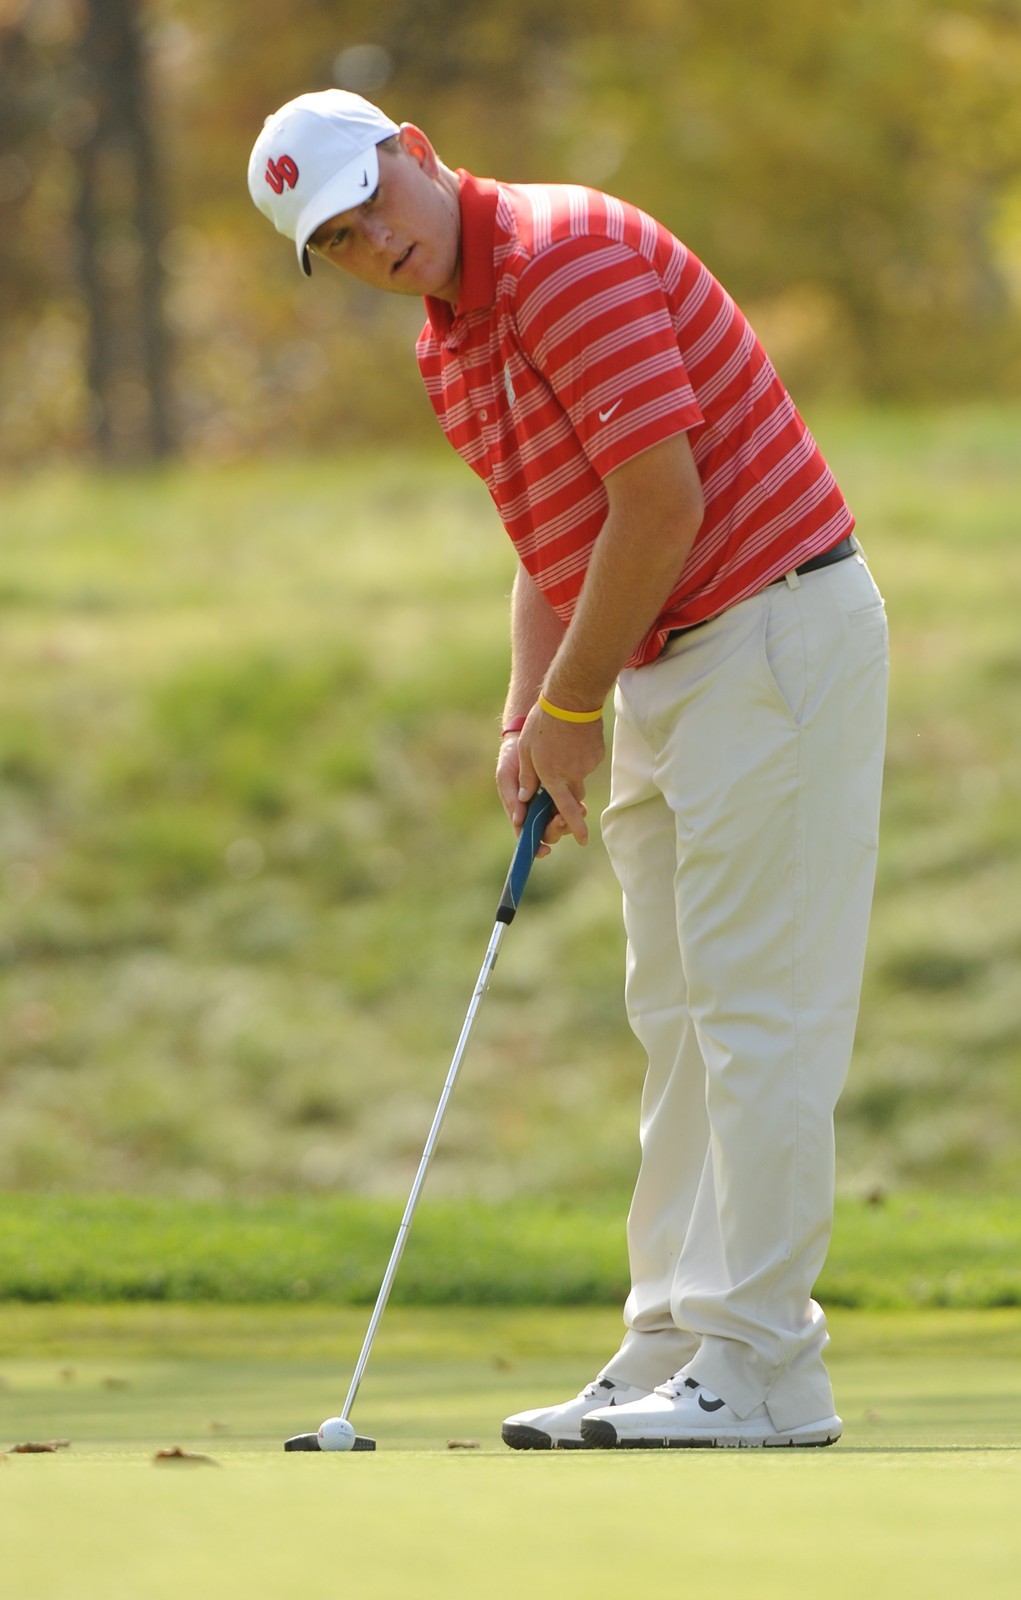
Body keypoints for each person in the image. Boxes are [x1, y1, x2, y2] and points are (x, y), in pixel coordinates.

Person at [248, 90, 888, 1450]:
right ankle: (671, 1336)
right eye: (339, 244)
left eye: (374, 209)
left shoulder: (561, 259)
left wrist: (573, 702)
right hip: (667, 658)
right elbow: (558, 530)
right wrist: (521, 720)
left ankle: (765, 1365)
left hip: (766, 629)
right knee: (675, 1018)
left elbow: (662, 501)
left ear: (417, 153)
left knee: (754, 1014)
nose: (372, 245)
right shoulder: (451, 338)